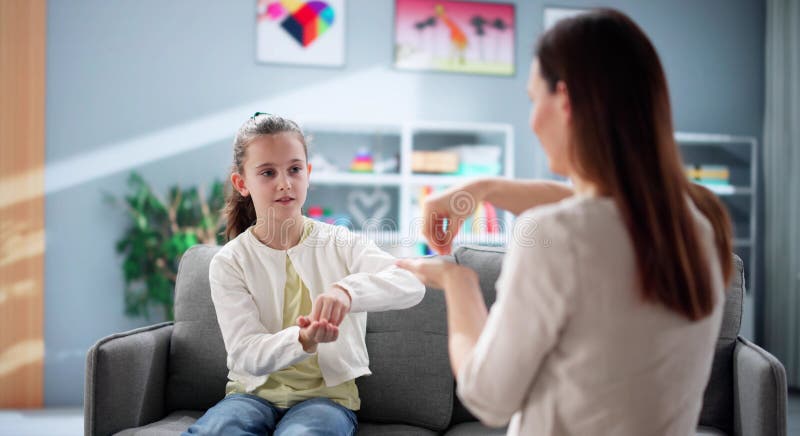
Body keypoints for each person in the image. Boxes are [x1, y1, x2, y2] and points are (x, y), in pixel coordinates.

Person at [397, 8, 733, 436]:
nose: (533, 120)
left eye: (534, 99)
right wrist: (483, 187)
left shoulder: (558, 236)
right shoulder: (699, 223)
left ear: (565, 101)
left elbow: (488, 397)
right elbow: (606, 206)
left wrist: (457, 283)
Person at [184, 113, 425, 435]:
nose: (285, 183)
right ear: (242, 183)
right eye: (268, 173)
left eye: (294, 169)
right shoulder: (230, 261)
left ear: (308, 174)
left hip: (326, 399)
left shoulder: (340, 242)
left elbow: (412, 283)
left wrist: (347, 291)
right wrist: (303, 339)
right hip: (250, 396)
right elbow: (246, 355)